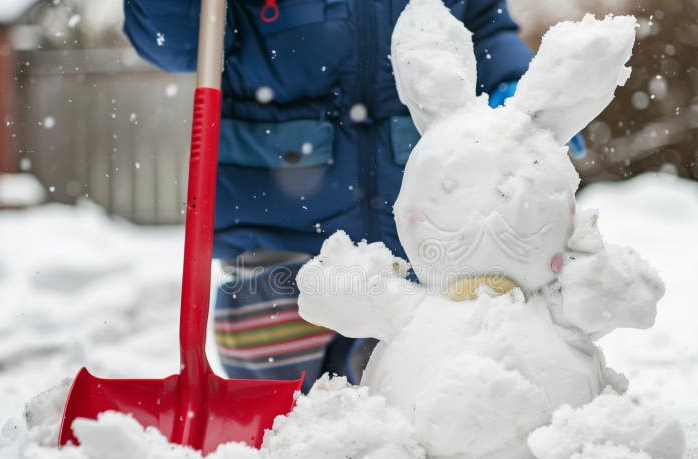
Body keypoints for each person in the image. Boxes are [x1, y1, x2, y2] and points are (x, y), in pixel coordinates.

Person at [123, 0, 561, 391]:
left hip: (414, 229)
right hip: (275, 232)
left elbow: (481, 27)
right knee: (279, 402)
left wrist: (519, 95)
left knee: (409, 383)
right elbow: (178, 43)